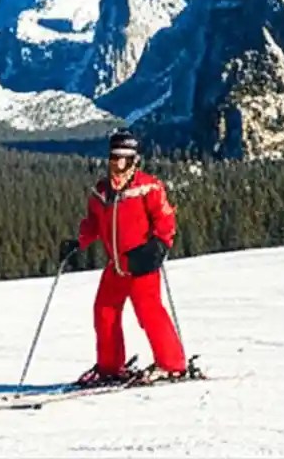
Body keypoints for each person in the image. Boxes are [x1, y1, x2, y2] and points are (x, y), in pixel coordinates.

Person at [59, 129, 188, 385]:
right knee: (104, 311)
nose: (118, 164)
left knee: (149, 312)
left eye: (124, 159)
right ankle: (110, 367)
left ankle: (172, 364)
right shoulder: (101, 192)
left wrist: (159, 245)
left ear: (134, 161)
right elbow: (94, 223)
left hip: (141, 264)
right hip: (116, 266)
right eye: (114, 157)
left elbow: (165, 219)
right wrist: (79, 242)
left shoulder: (148, 187)